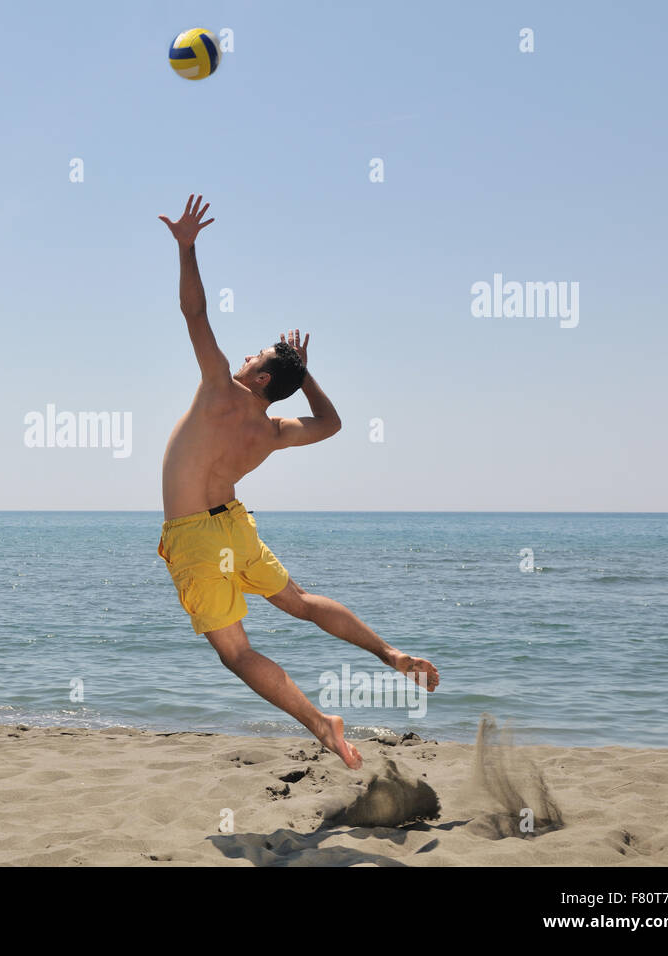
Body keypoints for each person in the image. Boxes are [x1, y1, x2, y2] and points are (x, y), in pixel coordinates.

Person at [156, 194, 439, 769]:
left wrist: (187, 249)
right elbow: (332, 424)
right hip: (235, 527)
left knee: (237, 653)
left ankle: (321, 723)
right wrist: (305, 377)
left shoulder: (218, 389)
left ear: (257, 375)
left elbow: (195, 314)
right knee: (302, 602)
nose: (240, 356)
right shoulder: (273, 430)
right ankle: (387, 651)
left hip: (196, 535)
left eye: (253, 355)